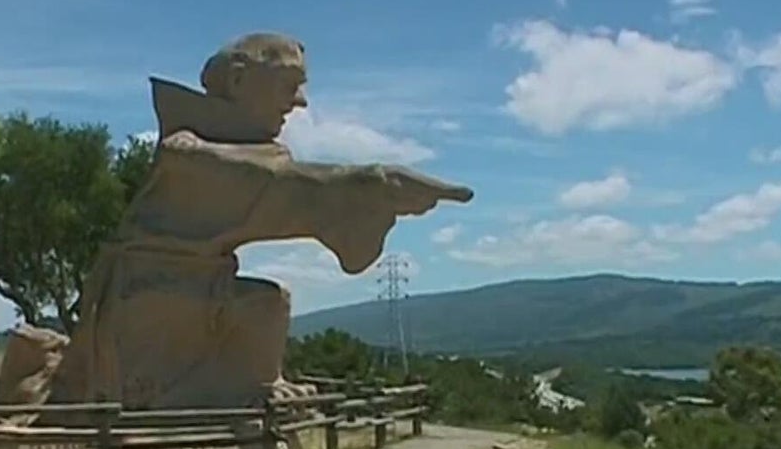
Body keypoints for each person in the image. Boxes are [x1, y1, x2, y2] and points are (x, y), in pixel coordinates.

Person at [40, 32, 471, 413]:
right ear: (239, 80)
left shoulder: (260, 155)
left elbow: (280, 183)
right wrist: (371, 185)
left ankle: (262, 387)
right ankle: (189, 394)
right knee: (266, 302)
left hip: (200, 291)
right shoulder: (184, 150)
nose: (299, 102)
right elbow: (273, 183)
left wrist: (371, 189)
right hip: (148, 296)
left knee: (268, 302)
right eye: (289, 83)